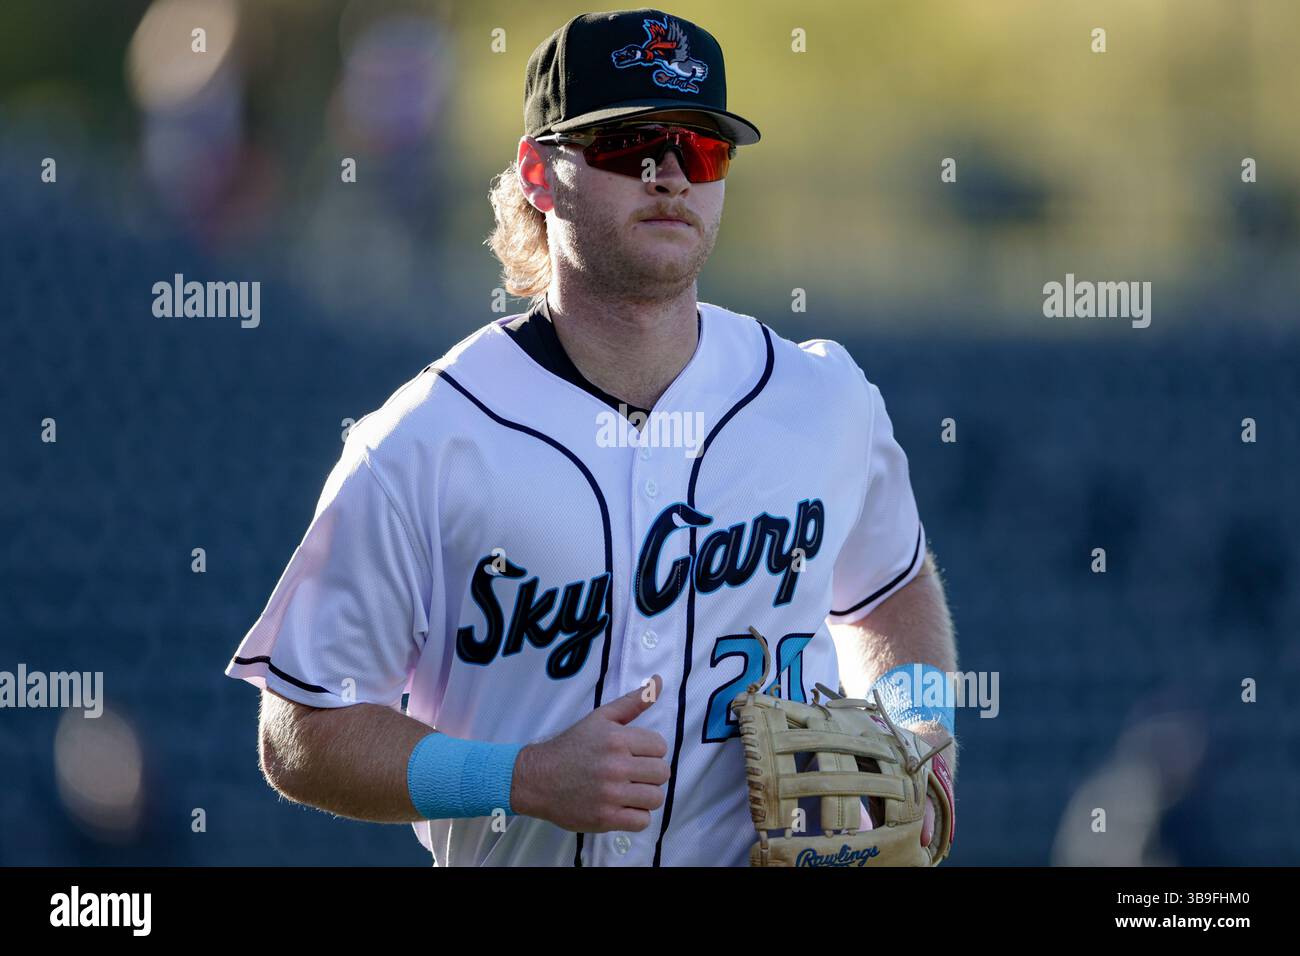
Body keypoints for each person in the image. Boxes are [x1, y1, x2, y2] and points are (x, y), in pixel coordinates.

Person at [226, 8, 959, 867]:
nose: (671, 175)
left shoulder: (820, 398)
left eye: (702, 148)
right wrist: (516, 777)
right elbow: (302, 733)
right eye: (630, 145)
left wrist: (924, 744)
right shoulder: (422, 444)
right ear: (540, 172)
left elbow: (891, 590)